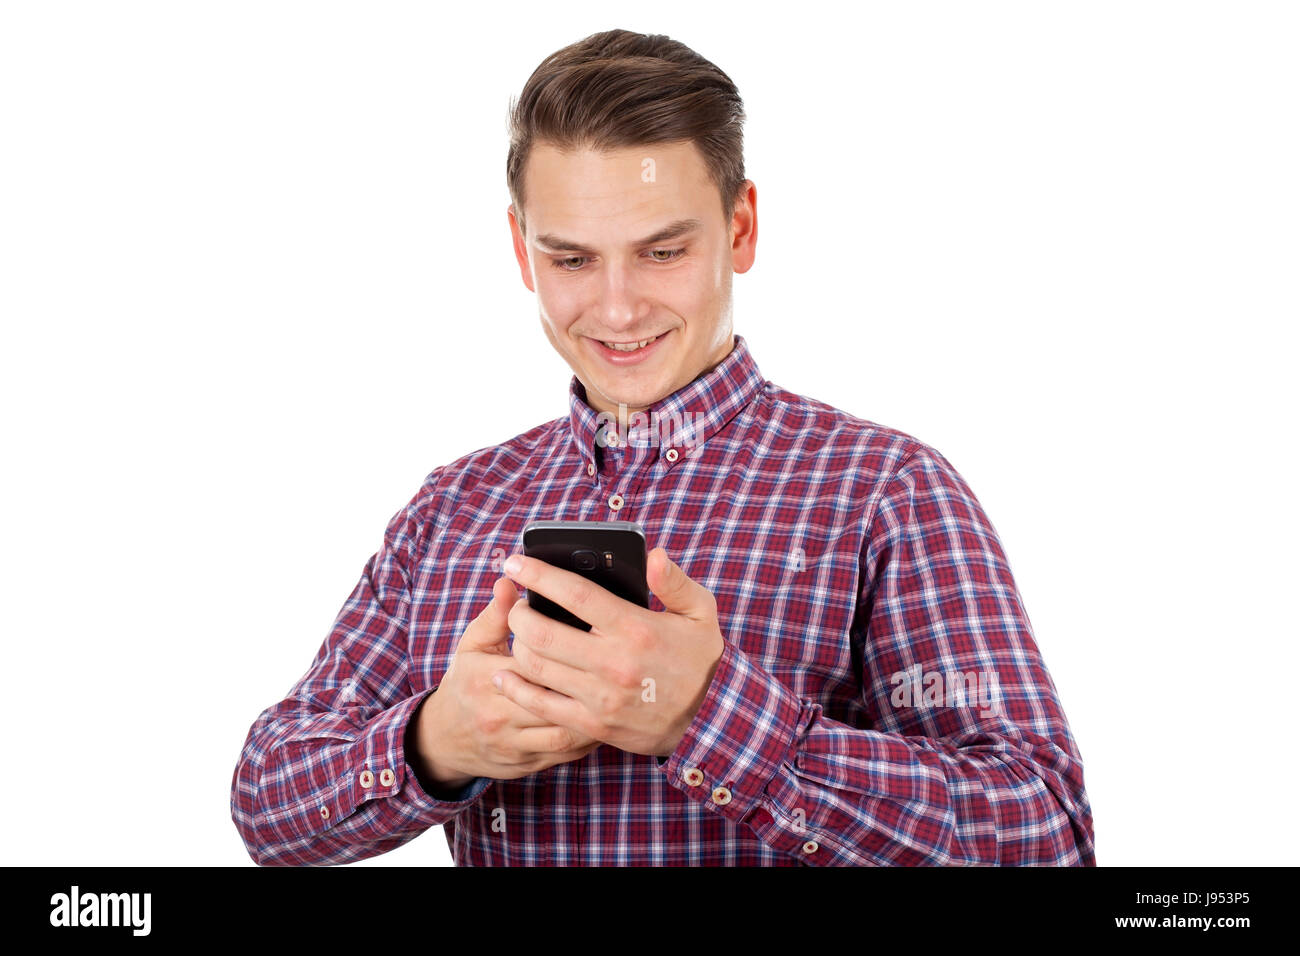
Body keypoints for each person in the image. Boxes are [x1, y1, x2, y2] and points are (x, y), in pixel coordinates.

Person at [230, 28, 1095, 866]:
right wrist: (433, 743)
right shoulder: (453, 507)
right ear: (521, 252)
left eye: (663, 251)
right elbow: (269, 803)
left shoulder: (884, 491)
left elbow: (1044, 833)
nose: (616, 310)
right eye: (571, 260)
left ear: (742, 227)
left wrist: (709, 719)